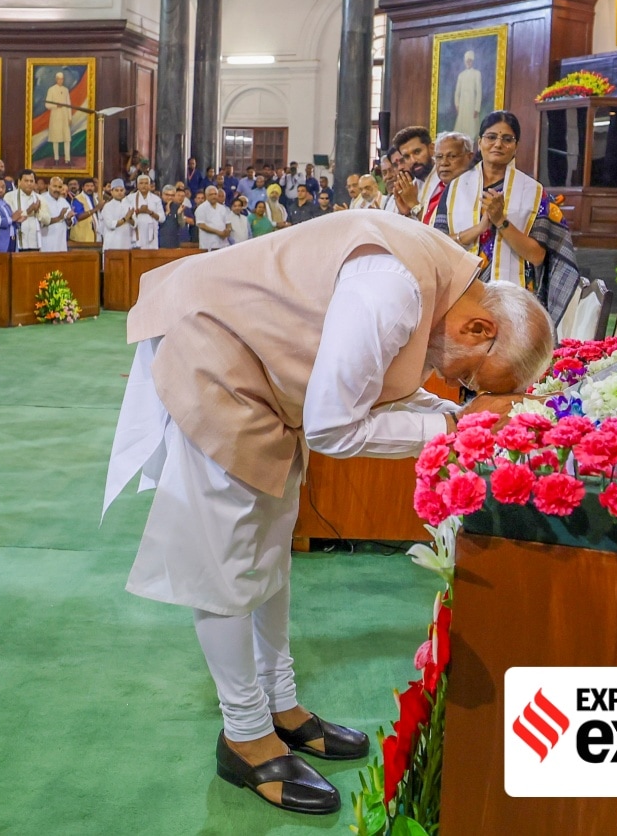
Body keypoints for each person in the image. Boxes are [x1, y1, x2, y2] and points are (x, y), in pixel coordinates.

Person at [104, 211, 552, 816]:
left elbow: (379, 387)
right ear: (479, 327)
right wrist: (452, 424)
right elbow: (335, 426)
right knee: (227, 560)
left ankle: (280, 703)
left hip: (262, 372)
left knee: (270, 544)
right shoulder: (393, 293)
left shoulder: (439, 284)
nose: (456, 382)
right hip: (215, 352)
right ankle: (243, 735)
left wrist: (454, 419)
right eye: (471, 376)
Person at [441, 111, 579, 328]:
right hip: (461, 296)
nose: (498, 144)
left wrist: (501, 222)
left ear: (515, 147)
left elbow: (537, 256)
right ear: (480, 143)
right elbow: (439, 245)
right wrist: (479, 229)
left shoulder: (534, 192)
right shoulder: (456, 189)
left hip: (516, 303)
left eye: (507, 139)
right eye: (491, 137)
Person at [382, 126, 439, 220]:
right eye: (407, 157)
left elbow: (439, 227)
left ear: (431, 149)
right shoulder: (411, 186)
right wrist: (407, 214)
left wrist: (413, 204)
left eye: (417, 152)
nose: (413, 161)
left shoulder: (444, 181)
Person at [4, 170, 46, 250]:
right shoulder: (9, 196)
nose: (29, 183)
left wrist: (37, 212)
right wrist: (29, 210)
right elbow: (12, 217)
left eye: (31, 181)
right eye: (26, 181)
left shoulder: (40, 198)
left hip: (35, 243)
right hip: (16, 243)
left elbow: (47, 220)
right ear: (19, 182)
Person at [45, 71, 73, 165]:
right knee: (55, 139)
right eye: (59, 79)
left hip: (65, 116)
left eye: (62, 79)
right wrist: (56, 106)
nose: (60, 80)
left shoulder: (65, 90)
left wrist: (70, 117)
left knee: (66, 139)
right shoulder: (51, 90)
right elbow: (47, 104)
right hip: (55, 117)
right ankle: (56, 159)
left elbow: (68, 104)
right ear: (56, 79)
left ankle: (67, 159)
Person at [194, 186, 234, 251]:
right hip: (208, 245)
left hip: (223, 244)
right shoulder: (201, 208)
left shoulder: (223, 208)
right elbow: (201, 225)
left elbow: (228, 223)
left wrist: (227, 231)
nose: (214, 196)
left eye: (215, 194)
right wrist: (218, 232)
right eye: (211, 194)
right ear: (206, 196)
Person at [452, 50, 483, 136]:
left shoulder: (477, 74)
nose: (468, 62)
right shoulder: (461, 75)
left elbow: (479, 92)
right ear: (465, 62)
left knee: (471, 132)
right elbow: (457, 92)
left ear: (472, 61)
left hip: (472, 106)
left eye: (470, 61)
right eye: (467, 61)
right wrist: (457, 105)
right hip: (462, 107)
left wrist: (477, 108)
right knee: (460, 132)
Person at [129, 174, 163, 250]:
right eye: (141, 183)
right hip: (136, 233)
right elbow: (127, 215)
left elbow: (162, 218)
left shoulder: (156, 199)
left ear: (150, 185)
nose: (144, 186)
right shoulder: (130, 198)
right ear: (137, 185)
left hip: (152, 236)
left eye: (146, 183)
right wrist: (139, 211)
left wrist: (149, 212)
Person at [98, 179, 134, 250]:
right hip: (112, 242)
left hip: (126, 242)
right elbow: (110, 225)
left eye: (121, 190)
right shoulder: (107, 206)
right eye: (116, 190)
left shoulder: (129, 205)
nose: (119, 193)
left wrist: (130, 218)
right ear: (111, 191)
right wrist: (126, 218)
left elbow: (134, 224)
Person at [39, 176, 72, 252]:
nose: (57, 189)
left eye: (60, 187)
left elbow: (69, 224)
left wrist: (68, 219)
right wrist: (59, 218)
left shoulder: (64, 202)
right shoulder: (41, 199)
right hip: (46, 243)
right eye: (55, 186)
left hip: (61, 243)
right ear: (49, 186)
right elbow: (41, 222)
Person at [159, 184, 194, 248]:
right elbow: (157, 224)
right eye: (167, 195)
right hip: (159, 243)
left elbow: (182, 224)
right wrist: (166, 213)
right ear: (162, 195)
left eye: (172, 195)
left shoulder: (177, 206)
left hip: (174, 242)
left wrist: (180, 214)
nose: (169, 197)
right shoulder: (157, 205)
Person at [69, 178, 99, 244]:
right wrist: (96, 209)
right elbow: (79, 216)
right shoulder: (78, 199)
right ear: (82, 187)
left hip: (93, 235)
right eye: (87, 186)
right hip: (80, 236)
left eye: (91, 186)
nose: (89, 188)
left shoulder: (96, 198)